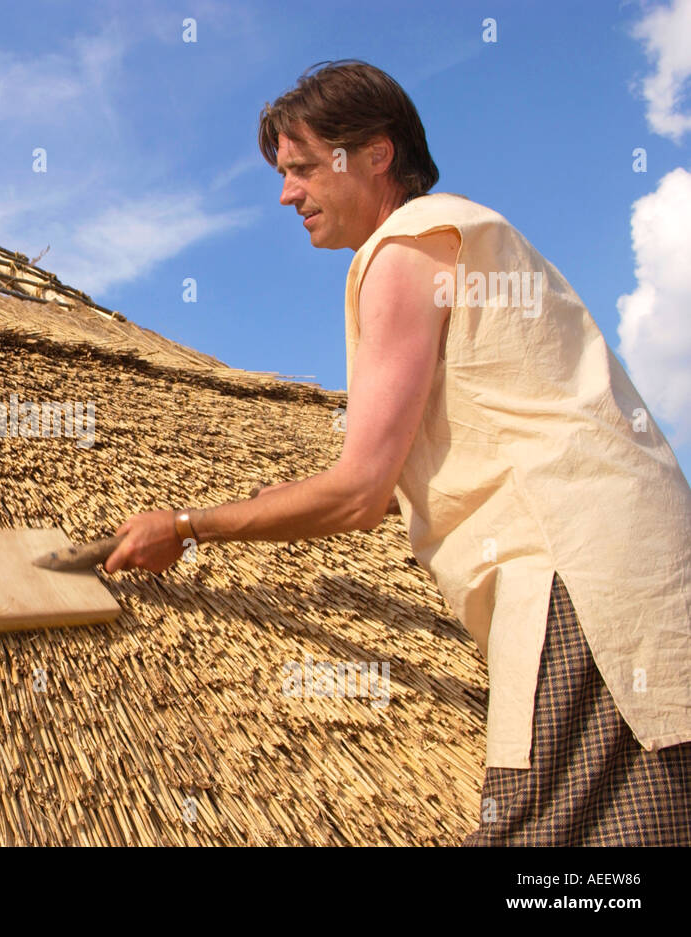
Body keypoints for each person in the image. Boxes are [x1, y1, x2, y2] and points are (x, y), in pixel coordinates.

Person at [103, 59, 691, 846]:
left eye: (305, 167)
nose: (286, 194)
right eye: (284, 173)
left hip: (572, 570)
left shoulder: (404, 249)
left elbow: (359, 491)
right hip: (639, 570)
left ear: (376, 155)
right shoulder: (468, 235)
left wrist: (186, 524)